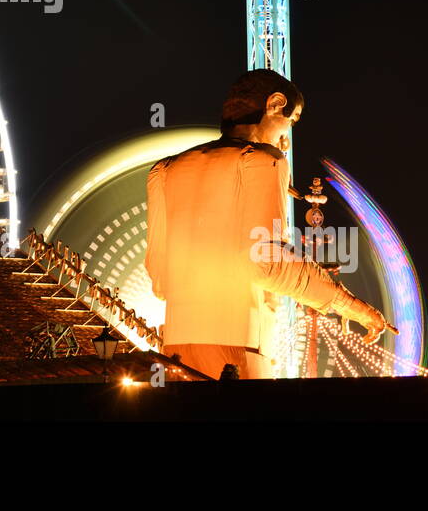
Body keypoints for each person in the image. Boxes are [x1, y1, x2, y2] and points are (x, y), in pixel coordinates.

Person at [145, 69, 387, 380]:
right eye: (292, 120)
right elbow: (267, 263)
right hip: (238, 349)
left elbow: (159, 275)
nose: (286, 136)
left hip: (175, 350)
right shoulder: (262, 160)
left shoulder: (165, 170)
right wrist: (348, 305)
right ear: (274, 104)